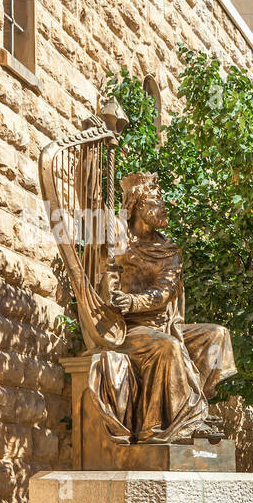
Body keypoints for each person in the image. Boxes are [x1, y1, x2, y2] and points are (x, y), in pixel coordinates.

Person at [86, 172, 235, 445]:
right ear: (137, 205)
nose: (163, 206)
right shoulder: (117, 241)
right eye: (155, 201)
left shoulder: (169, 251)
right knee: (168, 348)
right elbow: (99, 279)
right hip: (128, 330)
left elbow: (163, 293)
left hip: (163, 326)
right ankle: (170, 424)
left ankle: (190, 411)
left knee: (216, 336)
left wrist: (133, 301)